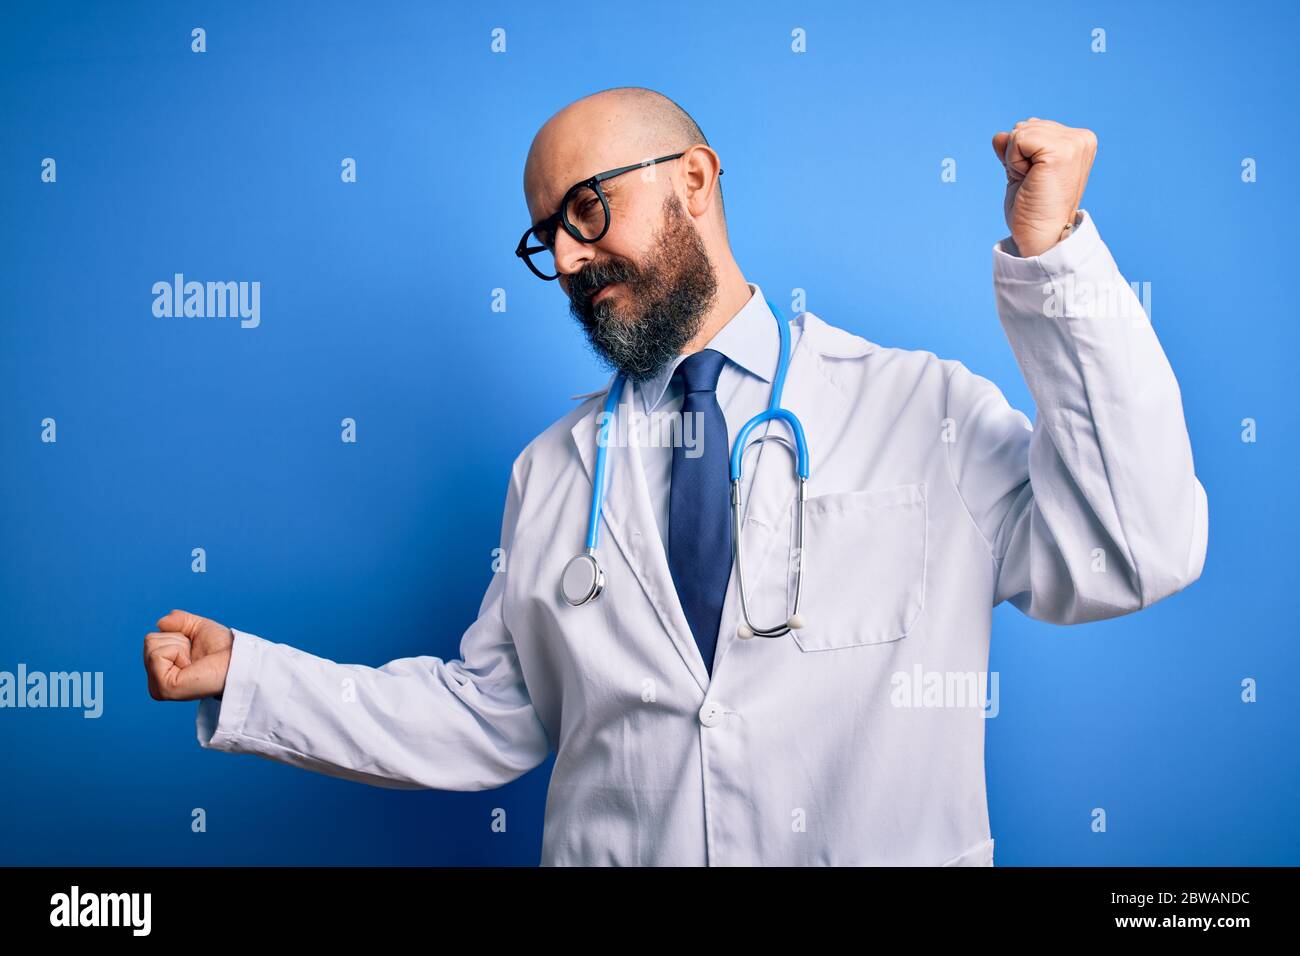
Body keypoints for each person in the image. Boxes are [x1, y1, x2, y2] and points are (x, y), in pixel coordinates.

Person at [143, 86, 1208, 866]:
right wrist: (252, 676)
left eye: (586, 210)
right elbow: (486, 712)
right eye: (544, 236)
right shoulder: (553, 474)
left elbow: (1131, 549)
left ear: (692, 181)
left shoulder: (917, 408)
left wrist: (1052, 253)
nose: (563, 258)